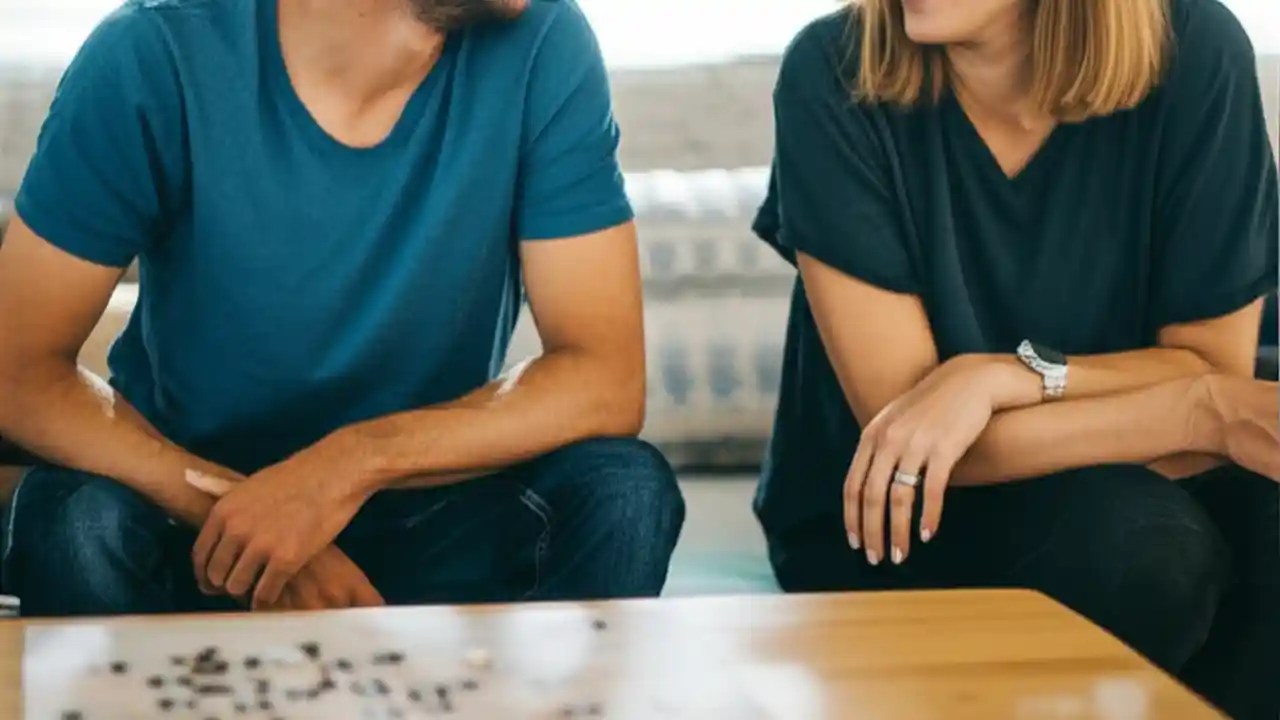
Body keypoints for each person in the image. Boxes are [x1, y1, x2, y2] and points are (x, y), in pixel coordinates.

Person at [0, 0, 685, 616]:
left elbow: (605, 378)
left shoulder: (547, 44)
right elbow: (17, 371)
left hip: (429, 503)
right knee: (73, 522)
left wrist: (345, 467)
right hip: (196, 517)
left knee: (623, 492)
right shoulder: (151, 53)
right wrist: (256, 522)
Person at [753, 0, 1278, 717]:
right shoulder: (831, 71)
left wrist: (1002, 376)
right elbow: (917, 443)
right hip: (898, 515)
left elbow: (1214, 365)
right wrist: (1199, 413)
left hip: (1148, 465)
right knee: (1140, 547)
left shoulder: (1197, 47)